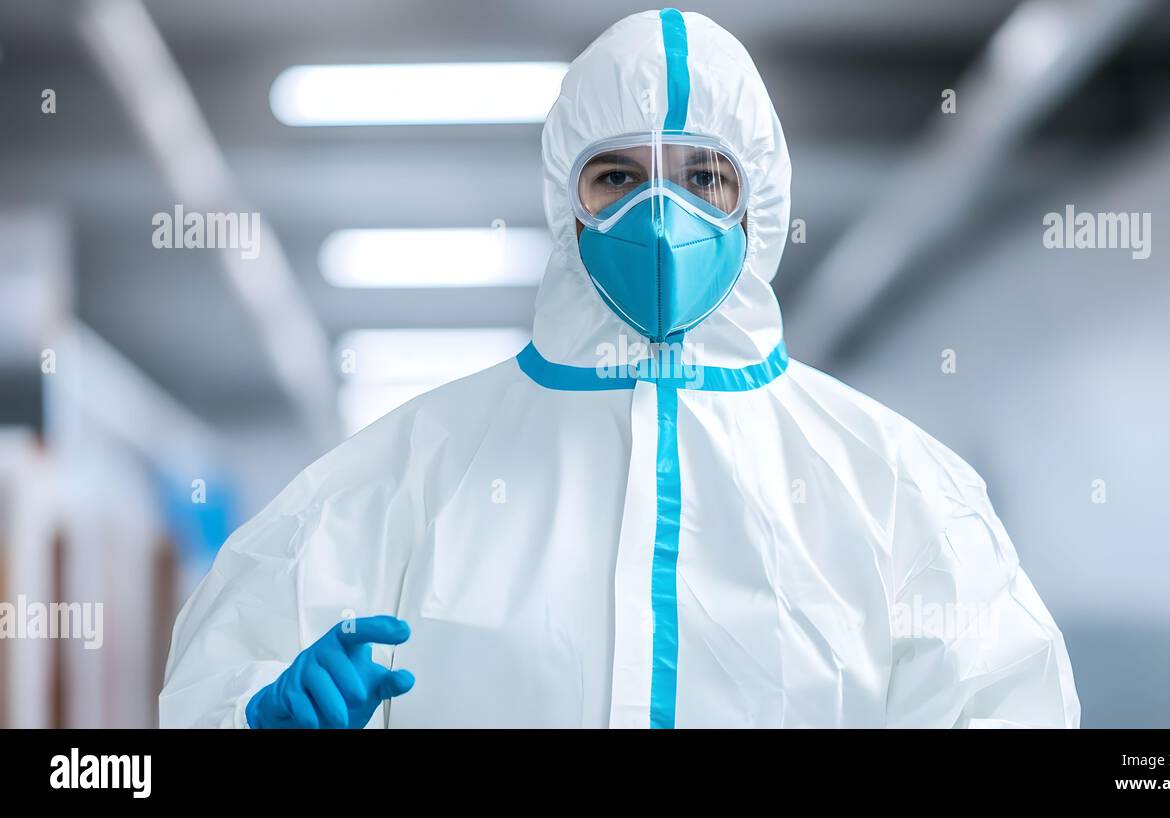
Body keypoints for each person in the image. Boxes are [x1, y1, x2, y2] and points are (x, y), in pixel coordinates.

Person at [160, 8, 1080, 729]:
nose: (659, 213)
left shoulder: (898, 493)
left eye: (701, 178)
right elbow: (201, 698)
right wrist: (256, 720)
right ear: (566, 201)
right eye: (618, 177)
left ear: (757, 200)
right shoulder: (406, 478)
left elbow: (1006, 703)